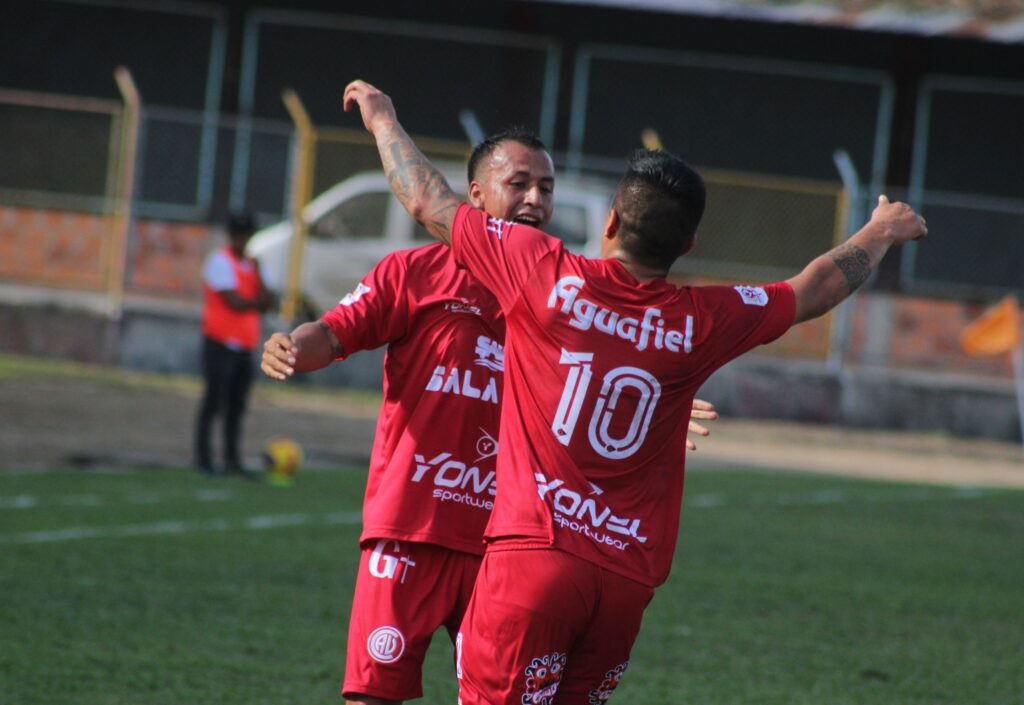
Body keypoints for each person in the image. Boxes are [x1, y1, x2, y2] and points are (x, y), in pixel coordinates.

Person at [342, 78, 928, 705]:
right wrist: (881, 230)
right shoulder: (704, 319)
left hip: (534, 561)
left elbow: (426, 198)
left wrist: (383, 121)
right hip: (623, 584)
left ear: (612, 222)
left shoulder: (542, 271)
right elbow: (815, 288)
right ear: (689, 244)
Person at [259, 127, 718, 705]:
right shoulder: (414, 273)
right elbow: (335, 331)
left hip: (510, 545)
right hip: (414, 528)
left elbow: (618, 371)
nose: (536, 200)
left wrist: (664, 407)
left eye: (546, 188)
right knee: (372, 695)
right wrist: (295, 347)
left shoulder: (566, 289)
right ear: (474, 194)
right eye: (519, 184)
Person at [194, 211, 275, 476]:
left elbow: (269, 302)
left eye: (246, 235)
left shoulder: (254, 265)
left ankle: (232, 460)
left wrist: (258, 278)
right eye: (238, 235)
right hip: (219, 342)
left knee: (237, 406)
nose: (242, 240)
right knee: (213, 402)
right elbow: (234, 302)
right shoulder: (220, 260)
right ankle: (204, 460)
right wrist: (257, 302)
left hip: (244, 345)